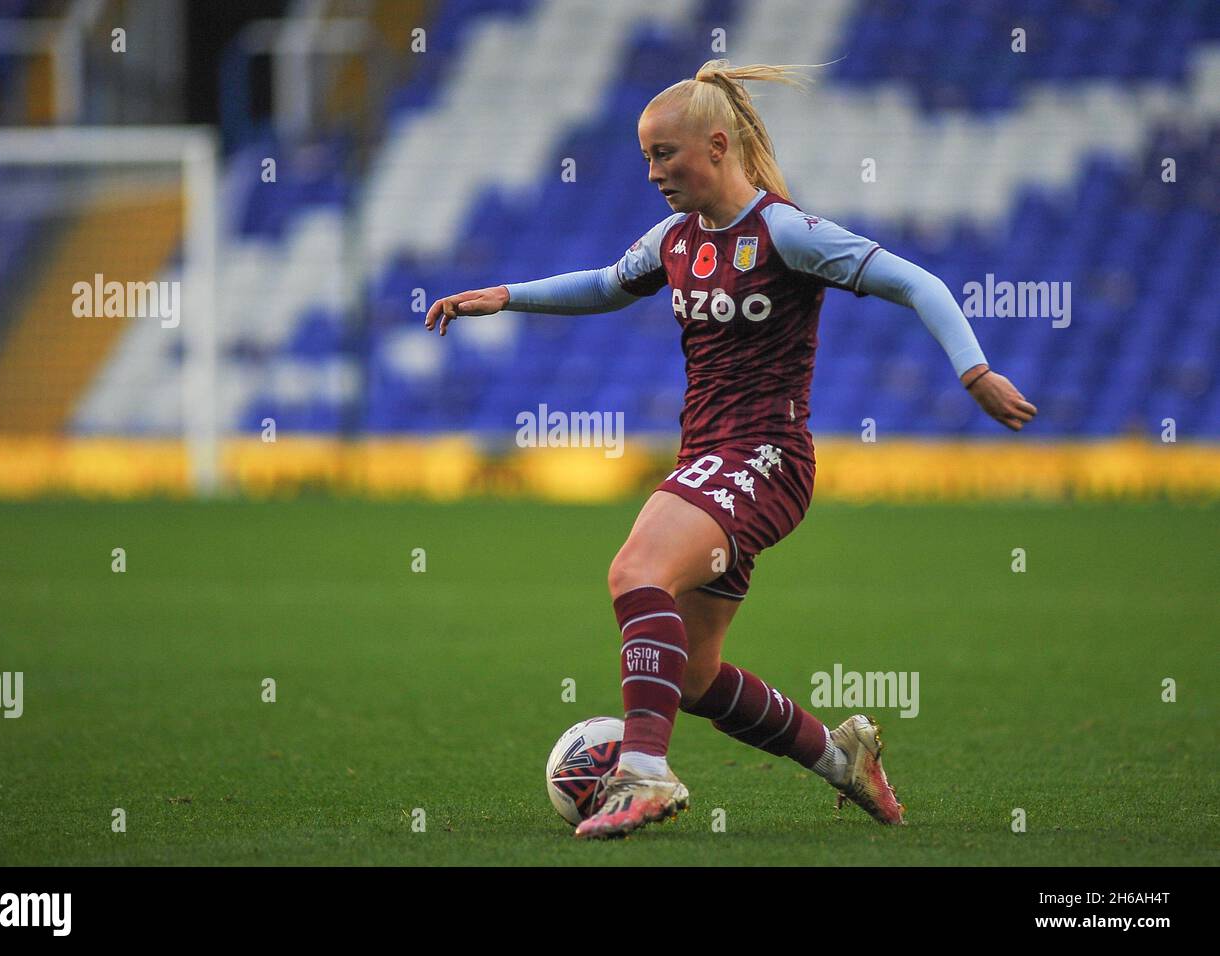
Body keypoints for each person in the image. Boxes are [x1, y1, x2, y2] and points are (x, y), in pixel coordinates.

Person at [425, 59, 1037, 839]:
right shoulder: (675, 240)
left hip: (766, 457)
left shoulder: (784, 231)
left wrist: (974, 368)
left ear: (717, 146)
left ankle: (643, 773)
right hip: (707, 462)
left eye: (663, 155)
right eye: (645, 157)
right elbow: (608, 284)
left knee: (634, 571)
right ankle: (840, 756)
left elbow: (916, 281)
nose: (652, 172)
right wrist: (508, 295)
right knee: (695, 677)